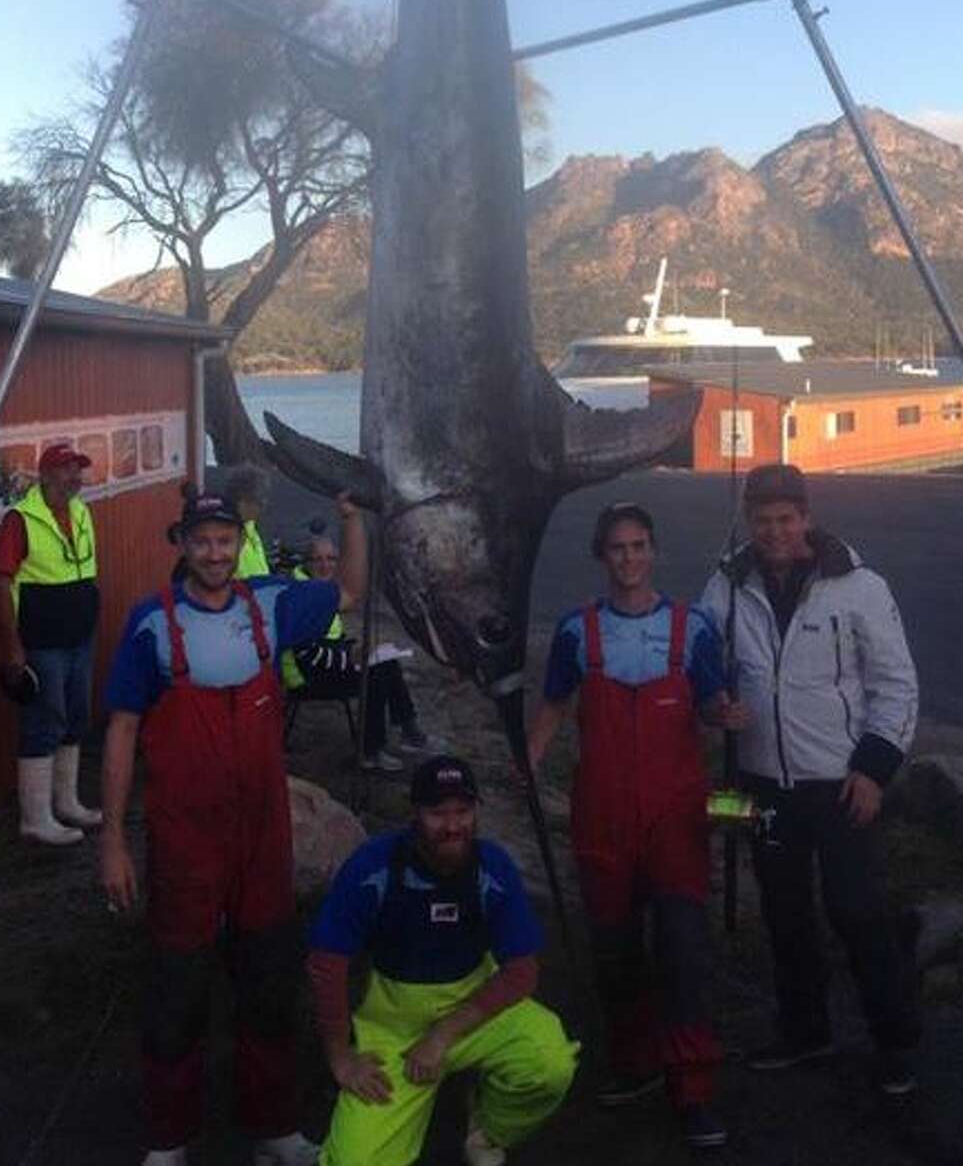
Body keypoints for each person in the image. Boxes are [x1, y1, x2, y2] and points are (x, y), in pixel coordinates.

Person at [99, 486, 367, 1166]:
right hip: (185, 838)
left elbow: (350, 592)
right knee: (177, 986)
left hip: (261, 837)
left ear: (237, 544)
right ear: (183, 545)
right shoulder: (151, 624)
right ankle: (169, 1139)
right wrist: (112, 839)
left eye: (224, 541)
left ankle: (272, 1127)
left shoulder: (271, 603)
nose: (215, 553)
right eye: (202, 541)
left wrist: (351, 519)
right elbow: (122, 728)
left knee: (270, 979)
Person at [526, 502, 745, 1151]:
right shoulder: (577, 632)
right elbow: (554, 706)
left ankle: (692, 1087)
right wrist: (527, 761)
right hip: (602, 818)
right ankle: (635, 1063)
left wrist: (728, 715)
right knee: (615, 952)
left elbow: (712, 707)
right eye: (617, 547)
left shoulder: (693, 628)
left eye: (639, 545)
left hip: (677, 819)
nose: (629, 558)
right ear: (603, 555)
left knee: (683, 953)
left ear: (653, 550)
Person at [699, 463, 921, 1095]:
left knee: (857, 909)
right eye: (762, 521)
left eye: (785, 519)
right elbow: (700, 664)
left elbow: (896, 685)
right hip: (762, 782)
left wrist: (873, 771)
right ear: (748, 521)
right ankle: (805, 1030)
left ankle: (895, 1040)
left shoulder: (859, 585)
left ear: (806, 518)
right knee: (785, 912)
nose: (774, 532)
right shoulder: (724, 584)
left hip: (841, 781)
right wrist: (713, 705)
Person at [308, 755, 578, 1166]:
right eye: (438, 813)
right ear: (415, 814)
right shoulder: (374, 866)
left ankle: (489, 1130)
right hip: (395, 1029)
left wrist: (443, 1035)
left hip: (474, 1012)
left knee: (549, 1063)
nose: (453, 825)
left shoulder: (492, 867)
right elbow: (327, 962)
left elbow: (522, 972)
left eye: (463, 811)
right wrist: (339, 1055)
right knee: (352, 1161)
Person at [0, 441, 102, 846]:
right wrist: (13, 647)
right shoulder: (20, 519)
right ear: (45, 474)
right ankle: (36, 818)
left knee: (75, 718)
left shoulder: (81, 511)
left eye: (78, 469)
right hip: (42, 642)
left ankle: (67, 803)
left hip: (79, 636)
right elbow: (1, 582)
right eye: (65, 469)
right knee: (44, 722)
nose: (74, 477)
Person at [294, 534, 429, 772]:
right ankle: (370, 751)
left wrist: (353, 649)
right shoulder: (302, 597)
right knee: (374, 675)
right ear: (306, 563)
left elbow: (330, 637)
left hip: (328, 661)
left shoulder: (323, 589)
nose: (326, 565)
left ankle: (409, 729)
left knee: (387, 663)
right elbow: (305, 653)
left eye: (331, 559)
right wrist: (349, 659)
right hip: (309, 674)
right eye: (318, 559)